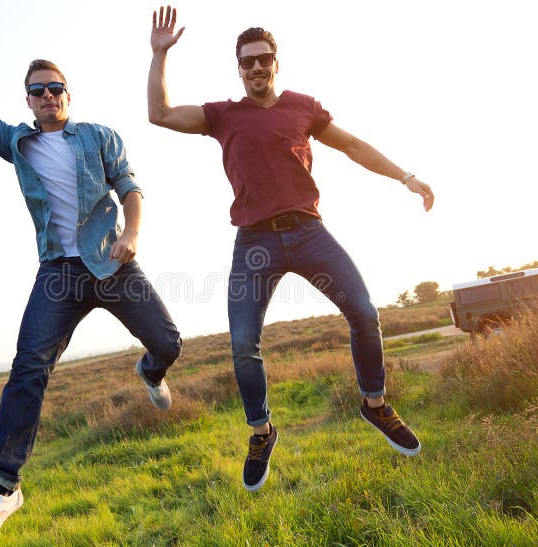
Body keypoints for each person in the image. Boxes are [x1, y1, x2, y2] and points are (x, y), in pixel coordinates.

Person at [147, 6, 434, 492]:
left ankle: (375, 405)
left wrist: (405, 176)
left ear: (276, 63)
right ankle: (261, 431)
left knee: (364, 313)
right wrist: (159, 56)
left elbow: (353, 145)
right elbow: (160, 114)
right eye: (247, 61)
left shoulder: (303, 106)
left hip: (308, 232)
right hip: (255, 241)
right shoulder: (223, 115)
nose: (256, 67)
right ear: (238, 68)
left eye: (264, 59)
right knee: (242, 344)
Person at [0, 21, 182, 545]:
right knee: (28, 367)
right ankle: (3, 486)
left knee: (169, 343)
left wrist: (135, 235)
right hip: (58, 272)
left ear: (68, 96)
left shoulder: (98, 136)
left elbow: (131, 188)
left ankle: (150, 371)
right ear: (29, 101)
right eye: (38, 90)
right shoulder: (16, 142)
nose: (48, 95)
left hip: (112, 262)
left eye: (56, 88)